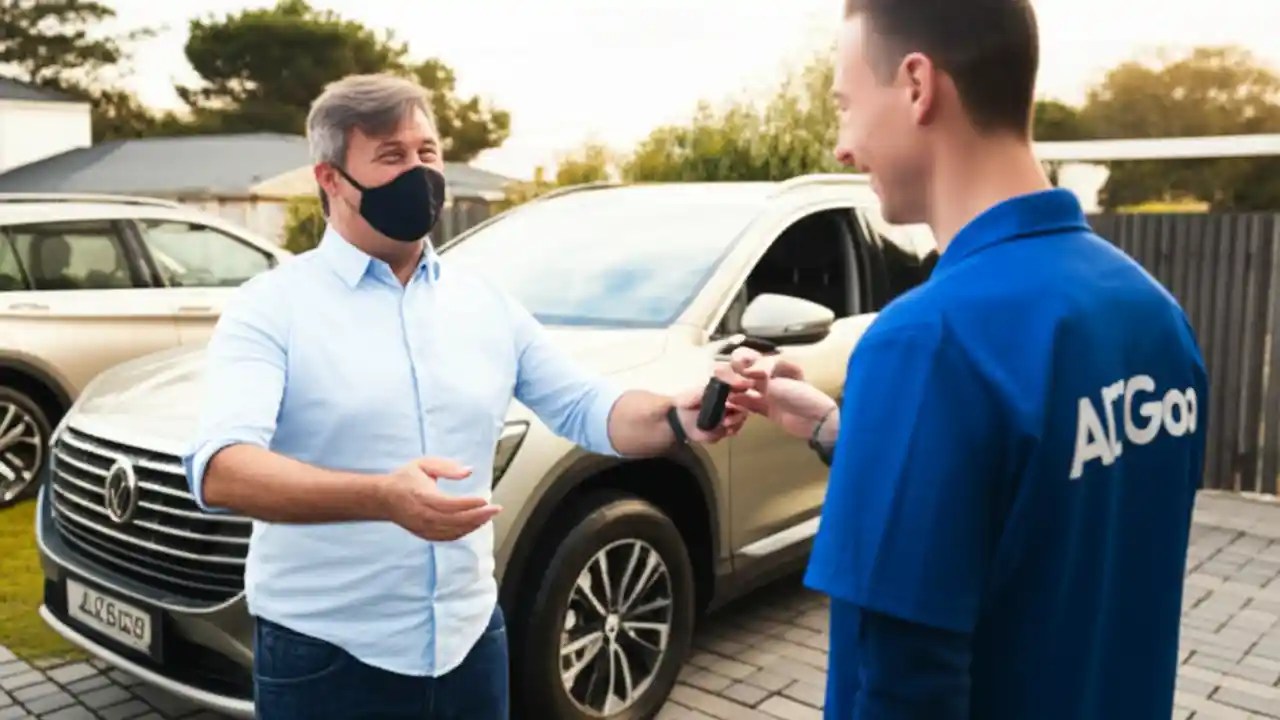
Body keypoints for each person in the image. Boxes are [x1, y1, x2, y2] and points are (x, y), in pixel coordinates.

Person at [181, 72, 749, 720]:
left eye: (427, 153)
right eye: (392, 157)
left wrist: (677, 416)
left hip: (471, 642)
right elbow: (221, 468)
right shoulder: (272, 307)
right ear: (331, 179)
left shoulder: (483, 303)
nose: (418, 172)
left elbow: (587, 408)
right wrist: (378, 497)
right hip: (329, 659)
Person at [727, 1, 1210, 718]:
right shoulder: (1152, 314)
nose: (842, 147)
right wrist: (838, 429)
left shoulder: (926, 343)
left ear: (918, 86)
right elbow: (1039, 512)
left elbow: (898, 688)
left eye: (845, 106)